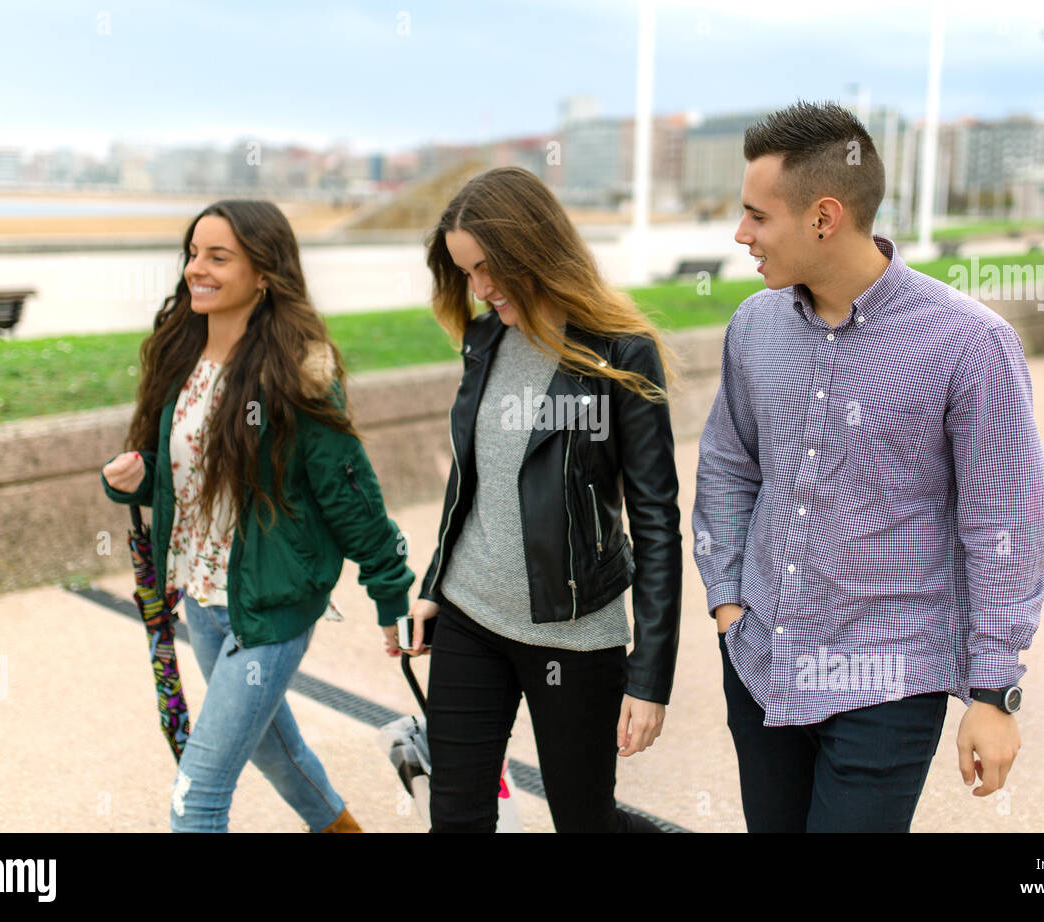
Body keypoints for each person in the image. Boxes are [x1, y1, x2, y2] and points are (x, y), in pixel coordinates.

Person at [693, 101, 1044, 832]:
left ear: (824, 217)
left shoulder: (969, 344)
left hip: (888, 681)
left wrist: (993, 691)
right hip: (761, 659)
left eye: (757, 216)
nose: (742, 235)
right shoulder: (753, 327)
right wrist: (729, 602)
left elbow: (1006, 522)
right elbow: (727, 469)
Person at [100, 199, 414, 833]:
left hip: (269, 608)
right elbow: (183, 476)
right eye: (194, 253)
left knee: (198, 792)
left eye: (219, 257)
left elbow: (346, 488)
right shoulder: (180, 356)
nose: (198, 269)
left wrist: (391, 591)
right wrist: (136, 477)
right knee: (280, 755)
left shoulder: (295, 370)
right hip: (204, 602)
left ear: (264, 273)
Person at [406, 166, 683, 833]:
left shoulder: (620, 351)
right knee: (457, 818)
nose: (481, 288)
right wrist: (434, 584)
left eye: (489, 268)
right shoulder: (485, 341)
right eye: (466, 273)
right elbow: (472, 480)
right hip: (471, 618)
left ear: (533, 248)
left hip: (574, 634)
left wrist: (650, 677)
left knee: (585, 821)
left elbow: (656, 521)